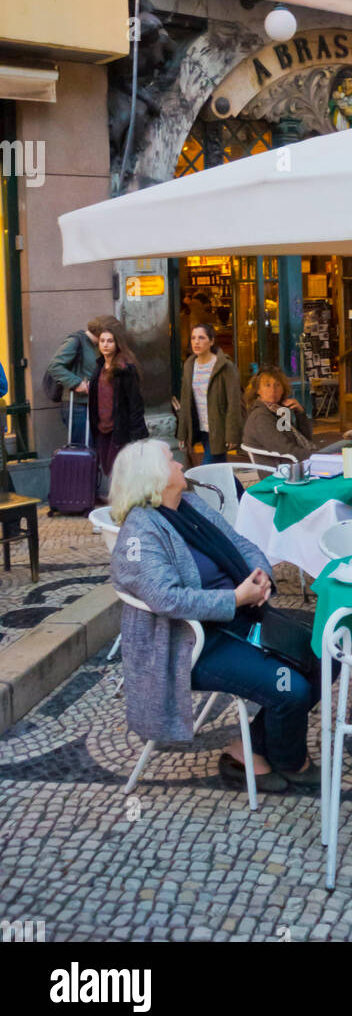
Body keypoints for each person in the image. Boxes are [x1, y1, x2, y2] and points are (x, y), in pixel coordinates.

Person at [109, 439, 322, 794]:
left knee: (324, 651)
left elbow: (241, 542)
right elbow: (166, 598)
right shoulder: (142, 531)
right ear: (154, 478)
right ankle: (289, 758)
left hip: (238, 622)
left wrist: (260, 573)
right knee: (293, 688)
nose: (179, 463)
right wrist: (236, 598)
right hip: (192, 643)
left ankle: (249, 749)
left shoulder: (189, 504)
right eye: (171, 460)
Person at [87, 322, 148, 480]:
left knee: (118, 471)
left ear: (117, 344)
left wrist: (137, 434)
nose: (105, 345)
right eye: (102, 341)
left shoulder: (125, 369)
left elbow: (136, 403)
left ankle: (123, 503)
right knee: (107, 468)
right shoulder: (99, 367)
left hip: (120, 428)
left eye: (110, 341)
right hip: (102, 427)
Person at [177, 324, 243, 465]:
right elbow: (185, 401)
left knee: (207, 469)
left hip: (218, 429)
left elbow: (234, 402)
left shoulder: (225, 366)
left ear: (211, 341)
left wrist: (232, 434)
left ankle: (234, 488)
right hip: (198, 426)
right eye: (193, 338)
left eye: (201, 338)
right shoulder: (189, 365)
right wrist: (182, 432)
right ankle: (238, 488)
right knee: (219, 471)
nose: (196, 342)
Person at [46, 317, 108, 443]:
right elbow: (55, 366)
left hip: (91, 404)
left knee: (93, 450)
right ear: (100, 333)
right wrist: (76, 383)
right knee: (83, 449)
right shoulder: (76, 341)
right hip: (77, 405)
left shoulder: (94, 346)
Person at [242, 367, 313, 466]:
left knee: (340, 447)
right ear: (258, 390)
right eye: (267, 385)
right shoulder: (261, 416)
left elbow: (306, 438)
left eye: (277, 385)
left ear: (283, 389)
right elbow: (285, 449)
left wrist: (300, 413)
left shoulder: (278, 410)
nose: (273, 390)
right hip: (283, 468)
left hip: (295, 461)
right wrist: (317, 456)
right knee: (339, 451)